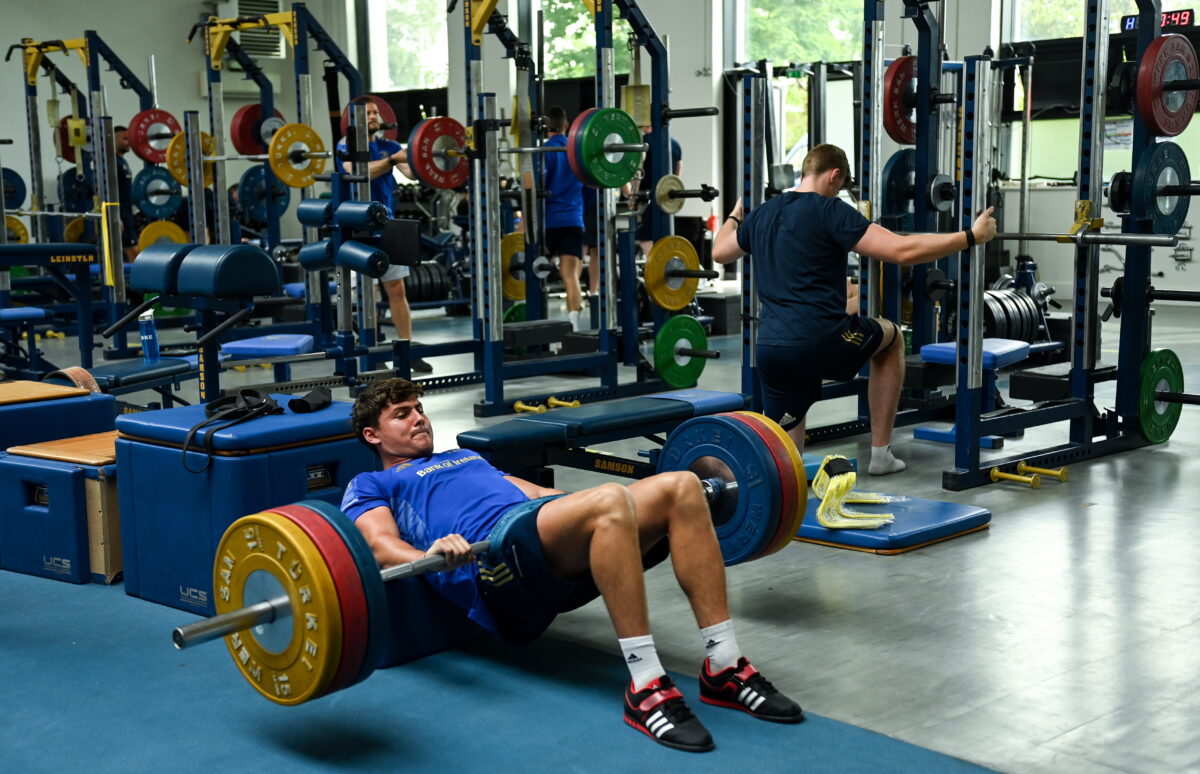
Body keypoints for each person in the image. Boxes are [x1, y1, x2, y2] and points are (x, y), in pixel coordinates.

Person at [342, 378, 803, 753]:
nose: (418, 417)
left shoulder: (464, 456)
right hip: (495, 562)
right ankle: (645, 686)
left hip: (537, 534)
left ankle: (723, 666)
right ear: (373, 435)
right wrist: (430, 557)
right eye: (401, 414)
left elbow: (540, 496)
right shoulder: (373, 482)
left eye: (418, 408)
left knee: (681, 485)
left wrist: (600, 507)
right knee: (607, 501)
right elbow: (380, 546)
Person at [711, 143, 997, 475]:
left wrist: (734, 214)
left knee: (789, 426)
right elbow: (901, 250)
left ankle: (788, 489)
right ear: (834, 176)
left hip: (772, 349)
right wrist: (970, 236)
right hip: (821, 342)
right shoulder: (829, 211)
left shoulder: (763, 213)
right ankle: (881, 454)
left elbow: (719, 251)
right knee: (891, 338)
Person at [337, 96, 431, 373]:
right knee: (368, 291)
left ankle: (406, 348)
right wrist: (392, 159)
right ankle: (373, 348)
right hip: (356, 226)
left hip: (386, 224)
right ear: (355, 119)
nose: (373, 116)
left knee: (397, 289)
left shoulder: (389, 145)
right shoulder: (346, 146)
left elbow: (412, 174)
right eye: (367, 113)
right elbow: (358, 172)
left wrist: (421, 155)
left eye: (375, 112)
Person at [541, 106, 586, 331]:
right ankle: (574, 327)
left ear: (545, 127)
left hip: (548, 223)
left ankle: (538, 325)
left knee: (537, 273)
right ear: (566, 126)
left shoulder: (542, 151)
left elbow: (535, 188)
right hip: (573, 221)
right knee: (570, 276)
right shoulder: (575, 150)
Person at [635, 124, 682, 257]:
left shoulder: (644, 142)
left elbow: (639, 169)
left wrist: (633, 196)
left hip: (647, 198)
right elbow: (678, 173)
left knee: (646, 239)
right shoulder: (675, 144)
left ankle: (658, 270)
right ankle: (664, 268)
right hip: (667, 199)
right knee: (664, 236)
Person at [113, 125, 138, 261]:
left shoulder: (122, 161)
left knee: (132, 250)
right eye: (124, 139)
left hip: (127, 211)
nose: (129, 142)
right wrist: (116, 215)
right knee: (132, 250)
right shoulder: (112, 162)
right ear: (113, 140)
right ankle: (136, 281)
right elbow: (108, 190)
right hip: (120, 212)